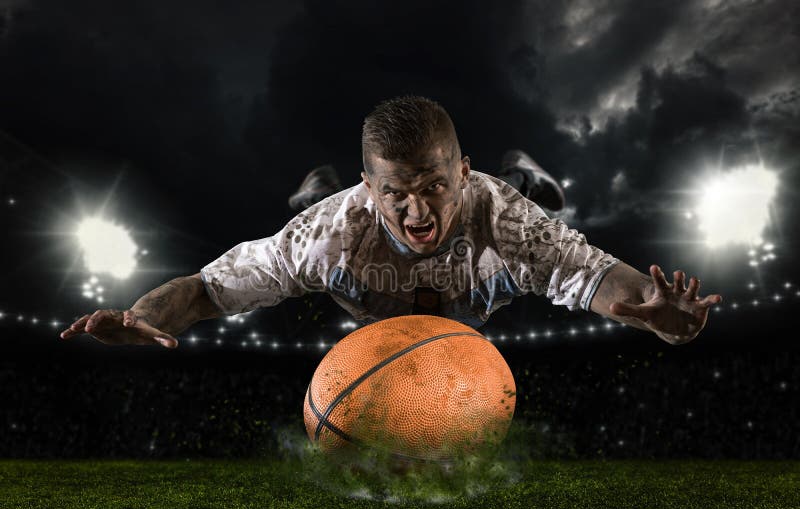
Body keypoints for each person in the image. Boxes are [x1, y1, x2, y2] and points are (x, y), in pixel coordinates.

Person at [60, 95, 721, 348]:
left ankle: (525, 175)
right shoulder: (330, 235)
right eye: (396, 193)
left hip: (486, 266)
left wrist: (661, 315)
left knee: (543, 214)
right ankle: (313, 190)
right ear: (368, 188)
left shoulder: (507, 221)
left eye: (435, 186)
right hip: (356, 268)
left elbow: (604, 279)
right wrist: (143, 316)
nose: (418, 211)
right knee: (304, 223)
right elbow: (205, 290)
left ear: (463, 173)